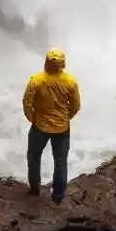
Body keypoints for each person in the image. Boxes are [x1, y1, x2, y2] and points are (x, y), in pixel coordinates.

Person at [22, 48, 81, 205]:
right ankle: (58, 197)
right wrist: (66, 118)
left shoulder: (37, 80)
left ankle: (35, 190)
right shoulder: (70, 82)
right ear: (63, 64)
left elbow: (27, 102)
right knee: (60, 162)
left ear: (47, 62)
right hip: (62, 129)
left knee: (34, 158)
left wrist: (32, 118)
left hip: (39, 127)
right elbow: (76, 106)